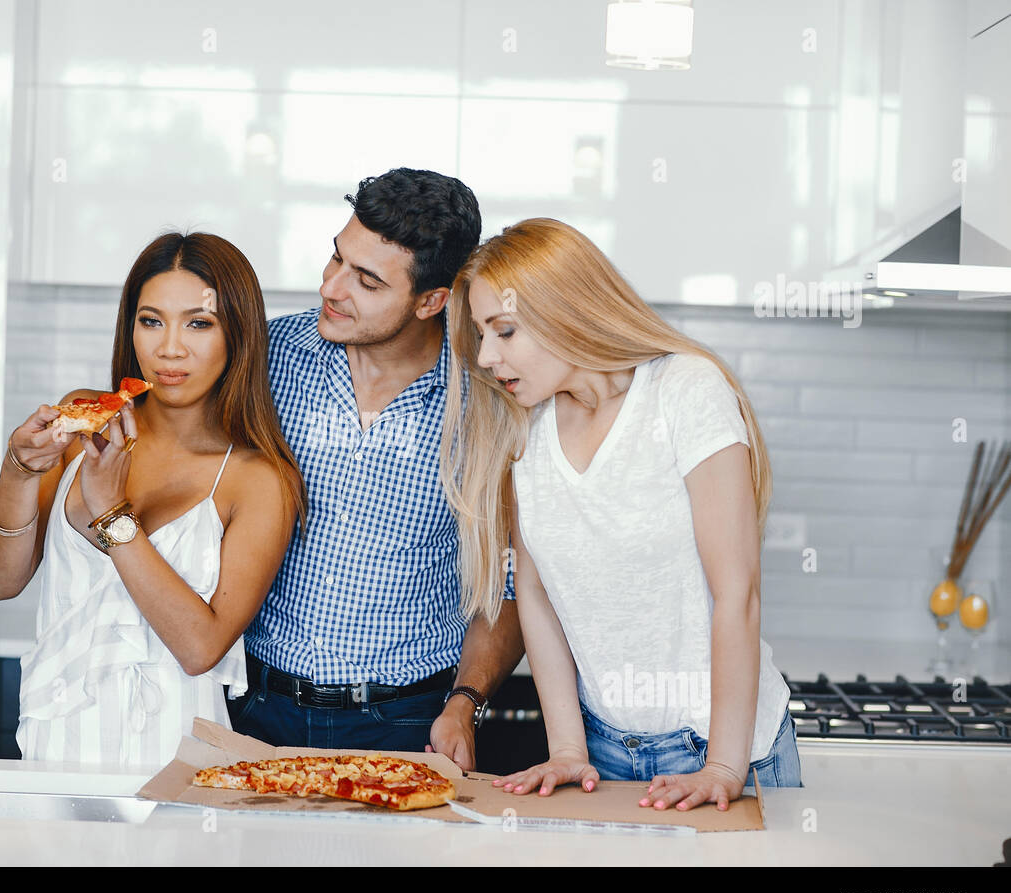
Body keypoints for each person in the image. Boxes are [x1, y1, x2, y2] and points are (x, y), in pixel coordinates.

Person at [441, 217, 800, 811]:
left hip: (721, 749)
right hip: (605, 753)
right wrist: (566, 750)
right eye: (481, 335)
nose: (485, 356)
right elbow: (537, 596)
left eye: (504, 331)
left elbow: (739, 593)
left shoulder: (685, 391)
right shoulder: (525, 429)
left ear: (566, 310)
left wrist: (725, 766)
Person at [228, 168, 524, 768]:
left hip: (407, 722)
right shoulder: (267, 357)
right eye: (335, 260)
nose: (331, 289)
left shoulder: (491, 404)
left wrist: (465, 704)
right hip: (254, 710)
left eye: (365, 280)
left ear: (431, 301)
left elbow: (511, 585)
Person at [0, 232, 304, 768]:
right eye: (151, 320)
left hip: (177, 768)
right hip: (52, 755)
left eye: (198, 323)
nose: (169, 348)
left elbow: (201, 648)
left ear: (237, 336)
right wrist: (18, 471)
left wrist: (112, 516)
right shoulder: (85, 418)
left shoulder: (258, 479)